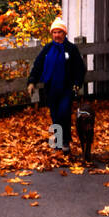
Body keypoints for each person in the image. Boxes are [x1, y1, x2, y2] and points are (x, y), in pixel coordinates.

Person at [27, 17, 86, 157]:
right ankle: (58, 143)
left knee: (64, 112)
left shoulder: (71, 49)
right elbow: (38, 65)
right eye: (54, 32)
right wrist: (31, 82)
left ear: (65, 34)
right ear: (52, 34)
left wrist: (77, 84)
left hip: (67, 88)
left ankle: (65, 141)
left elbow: (80, 68)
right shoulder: (48, 49)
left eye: (60, 32)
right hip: (51, 88)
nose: (57, 35)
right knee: (54, 115)